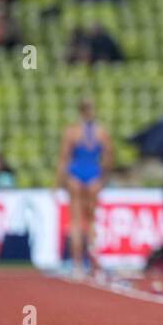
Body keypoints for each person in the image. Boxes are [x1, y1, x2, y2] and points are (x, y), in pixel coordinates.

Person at [56, 98, 113, 277]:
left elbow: (64, 159)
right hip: (93, 175)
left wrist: (59, 182)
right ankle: (94, 264)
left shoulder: (72, 132)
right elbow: (109, 157)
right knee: (90, 221)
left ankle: (78, 265)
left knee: (75, 221)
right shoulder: (101, 132)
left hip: (76, 174)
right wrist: (102, 178)